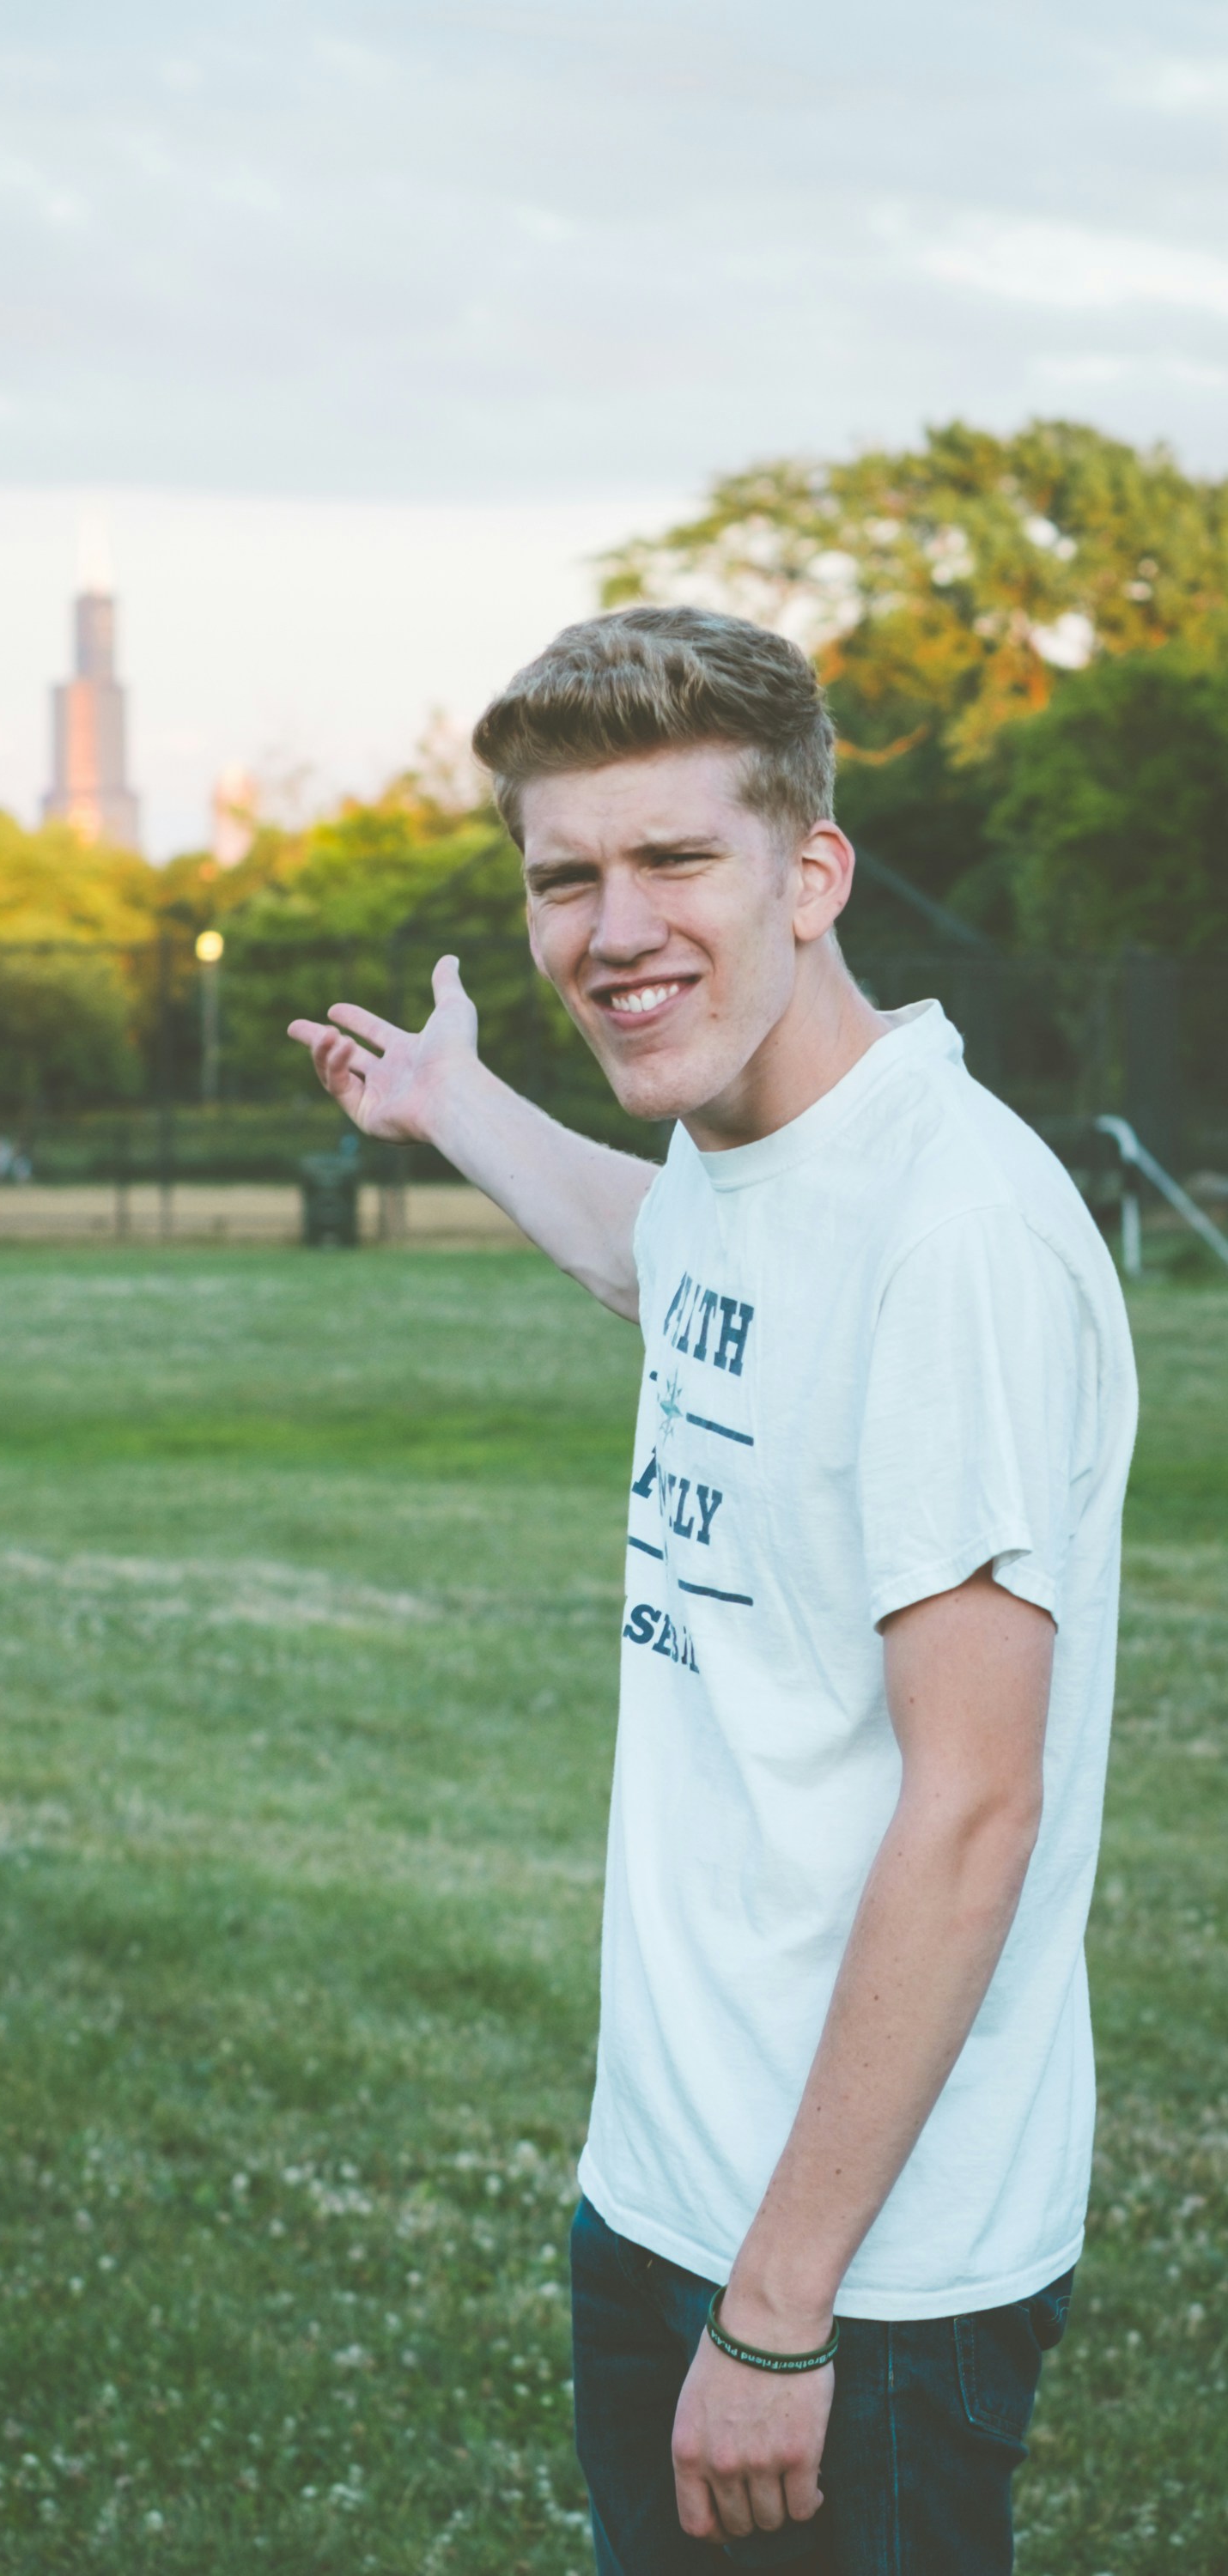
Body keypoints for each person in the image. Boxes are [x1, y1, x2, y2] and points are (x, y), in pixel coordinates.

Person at [288, 605, 1136, 2574]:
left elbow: (973, 1808)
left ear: (812, 873)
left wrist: (777, 2309)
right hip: (670, 2190)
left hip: (858, 2277)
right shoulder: (754, 1164)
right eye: (563, 877)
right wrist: (456, 1112)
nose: (611, 928)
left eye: (675, 860)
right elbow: (669, 1263)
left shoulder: (953, 1235)